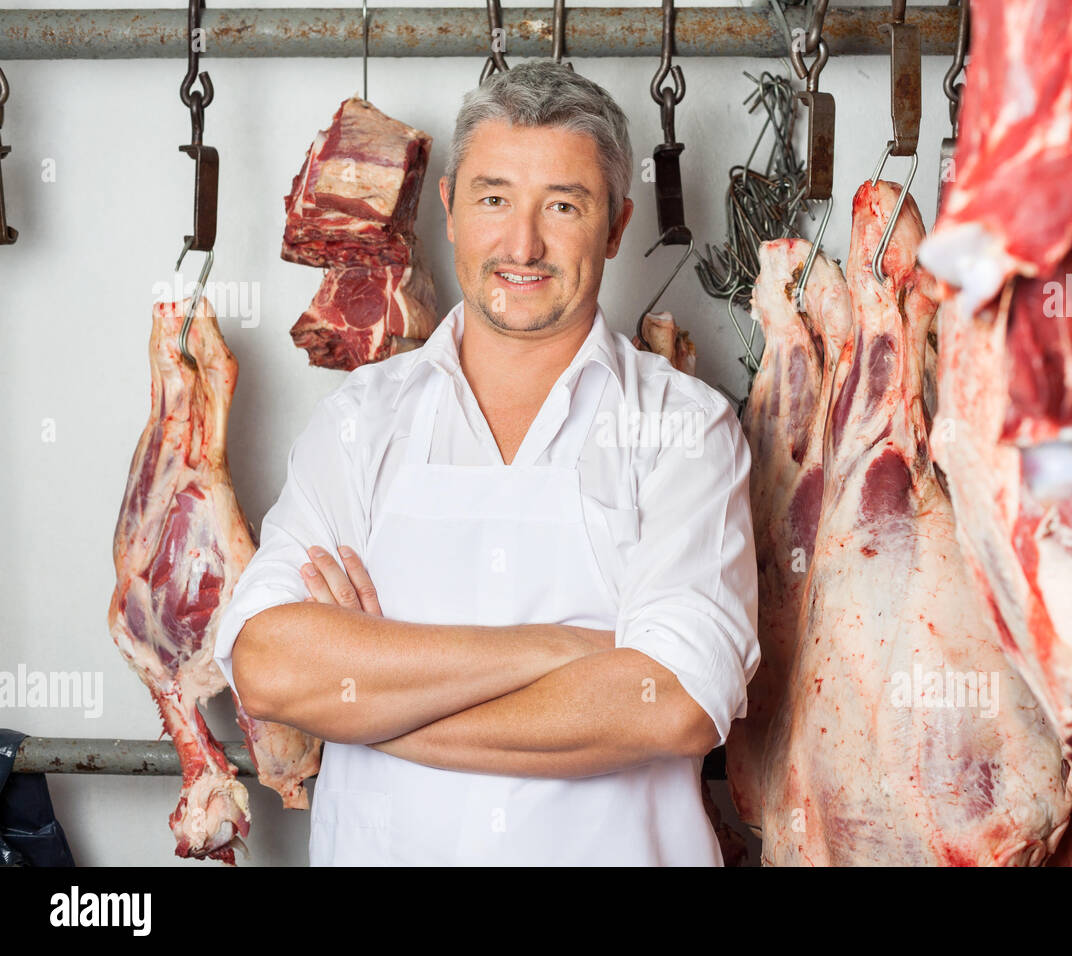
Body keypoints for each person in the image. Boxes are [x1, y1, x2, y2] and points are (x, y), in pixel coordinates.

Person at [213, 60, 759, 866]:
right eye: (493, 199)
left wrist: (370, 704)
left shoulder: (685, 428)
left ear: (615, 226)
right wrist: (565, 649)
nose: (522, 244)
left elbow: (669, 702)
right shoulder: (360, 422)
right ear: (451, 210)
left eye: (563, 206)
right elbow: (268, 668)